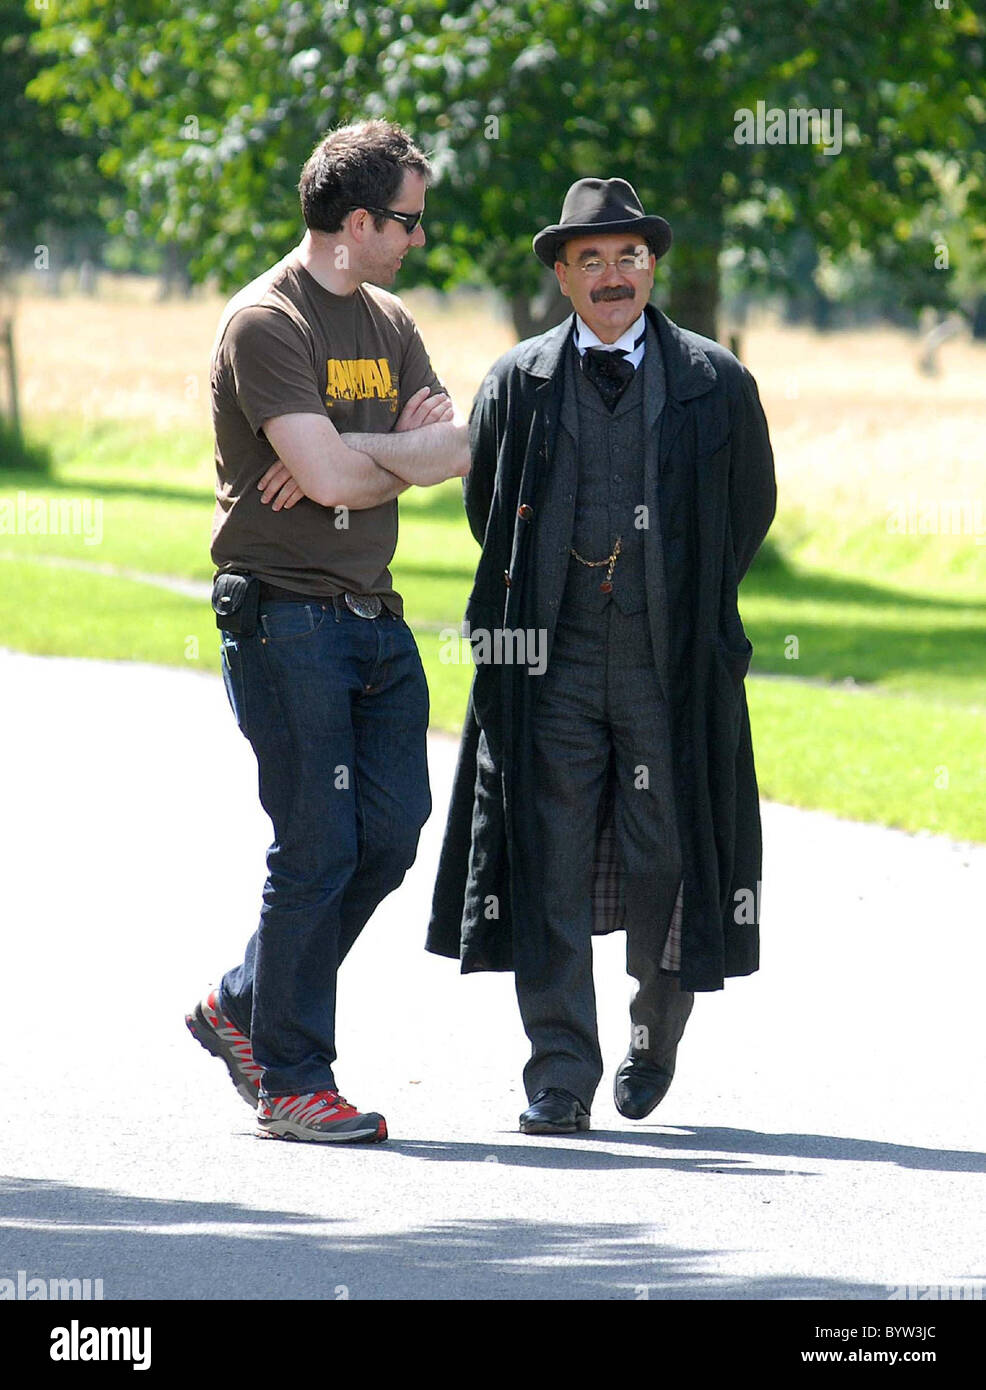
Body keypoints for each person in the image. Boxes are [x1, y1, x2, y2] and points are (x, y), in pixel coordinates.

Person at [427, 177, 776, 1134]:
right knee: (549, 860)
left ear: (652, 266)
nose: (614, 276)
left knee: (673, 856)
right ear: (562, 274)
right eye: (593, 260)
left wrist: (678, 599)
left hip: (671, 669)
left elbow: (747, 517)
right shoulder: (514, 382)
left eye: (630, 257)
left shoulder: (716, 381)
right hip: (552, 668)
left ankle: (654, 1034)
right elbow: (488, 517)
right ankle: (559, 1074)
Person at [186, 120, 469, 1144]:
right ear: (357, 221)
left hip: (373, 621)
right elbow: (361, 472)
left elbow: (457, 445)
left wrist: (356, 449)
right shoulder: (267, 323)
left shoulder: (387, 320)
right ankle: (290, 1079)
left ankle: (240, 1004)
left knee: (388, 834)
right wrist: (389, 447)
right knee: (315, 846)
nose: (417, 239)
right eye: (406, 220)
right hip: (283, 620)